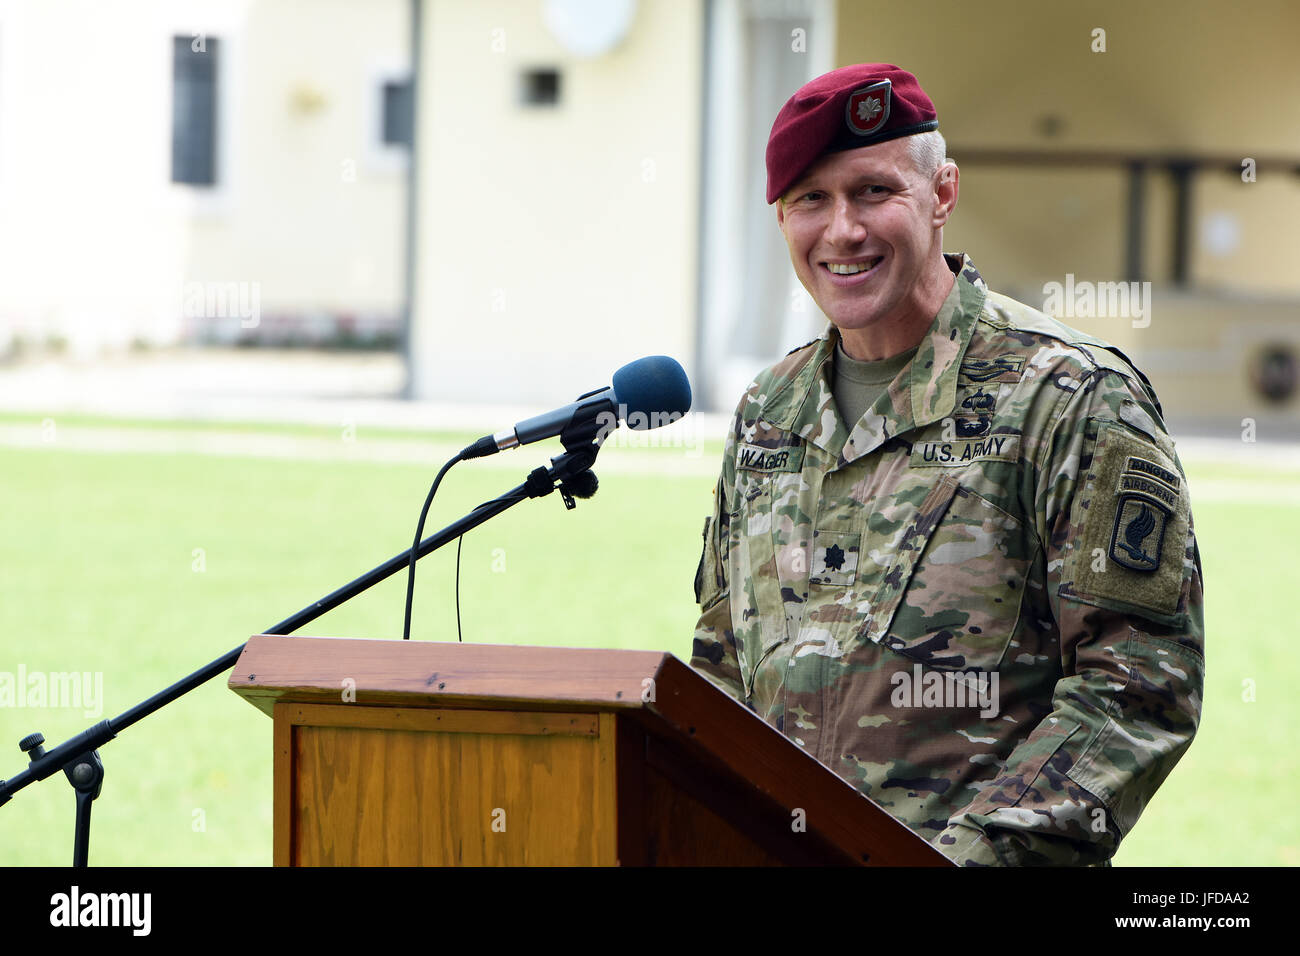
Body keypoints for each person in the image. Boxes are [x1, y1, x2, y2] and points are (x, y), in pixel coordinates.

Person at [689, 63, 1204, 866]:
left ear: (943, 194)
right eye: (810, 201)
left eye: (872, 191)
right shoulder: (771, 409)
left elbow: (1138, 685)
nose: (842, 231)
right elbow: (722, 669)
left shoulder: (1068, 396)